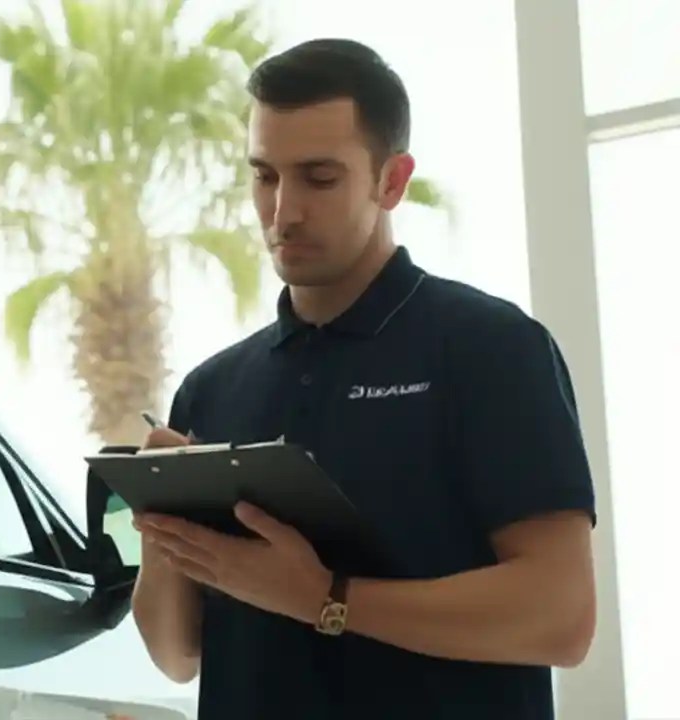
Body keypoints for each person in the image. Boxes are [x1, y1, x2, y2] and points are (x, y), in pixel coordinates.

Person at [130, 38, 596, 719]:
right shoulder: (213, 388)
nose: (283, 212)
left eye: (319, 178)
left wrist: (323, 598)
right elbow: (177, 657)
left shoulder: (492, 349)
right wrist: (162, 531)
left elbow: (560, 618)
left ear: (392, 180)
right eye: (264, 176)